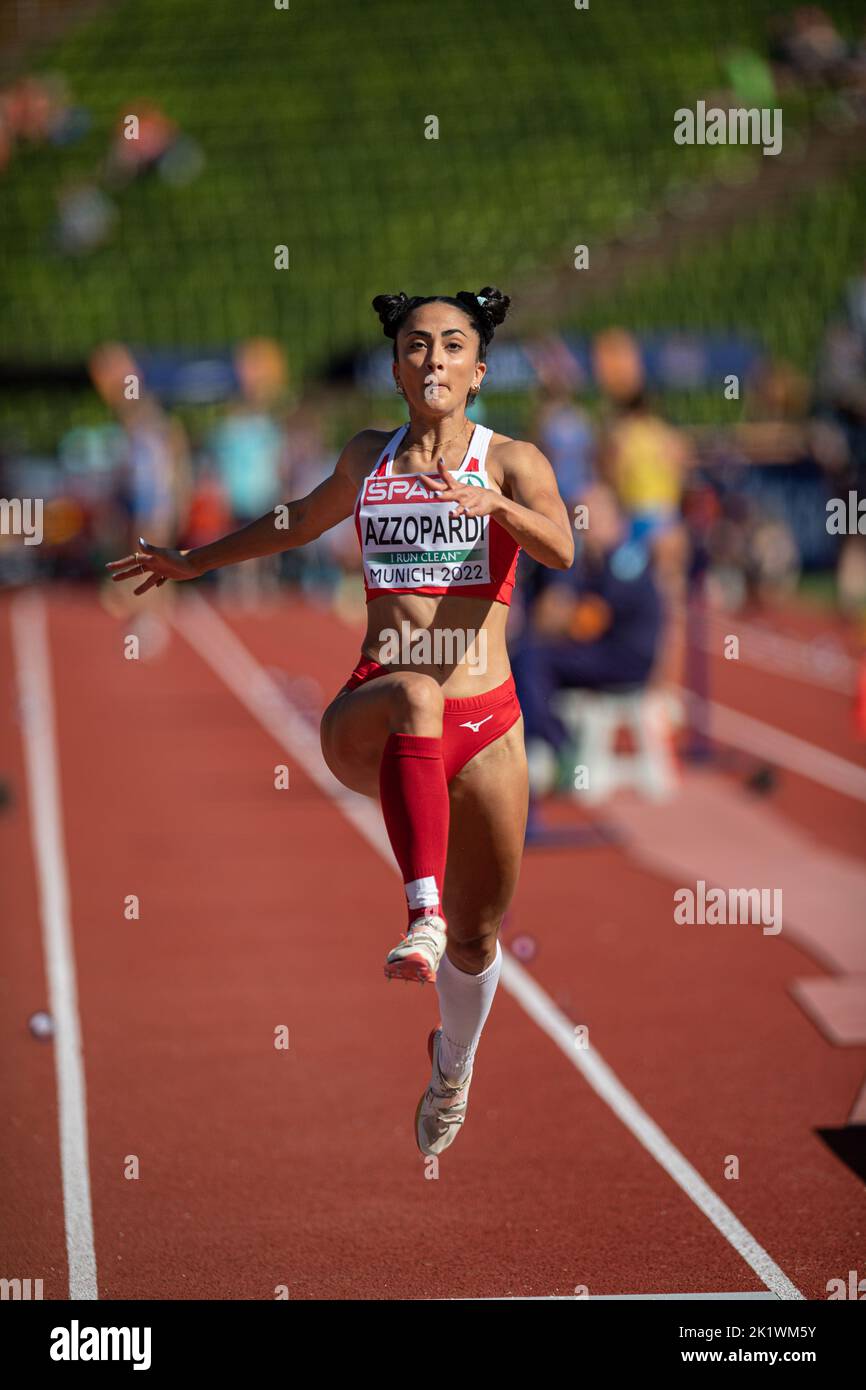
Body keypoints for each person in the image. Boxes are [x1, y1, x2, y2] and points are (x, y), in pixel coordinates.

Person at [105, 287, 574, 1158]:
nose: (433, 359)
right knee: (417, 696)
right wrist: (192, 562)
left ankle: (453, 1064)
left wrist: (499, 510)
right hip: (377, 701)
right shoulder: (370, 457)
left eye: (452, 346)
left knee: (481, 936)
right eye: (417, 346)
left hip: (491, 722)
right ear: (397, 366)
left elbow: (562, 545)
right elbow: (295, 522)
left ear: (480, 368)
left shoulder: (511, 460)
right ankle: (418, 912)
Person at [511, 482, 663, 794]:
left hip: (624, 660)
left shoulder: (625, 561)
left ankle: (555, 745)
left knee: (533, 658)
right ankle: (545, 741)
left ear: (614, 518)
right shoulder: (593, 561)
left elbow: (585, 620)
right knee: (527, 657)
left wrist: (558, 617)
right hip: (601, 652)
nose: (580, 524)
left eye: (587, 516)